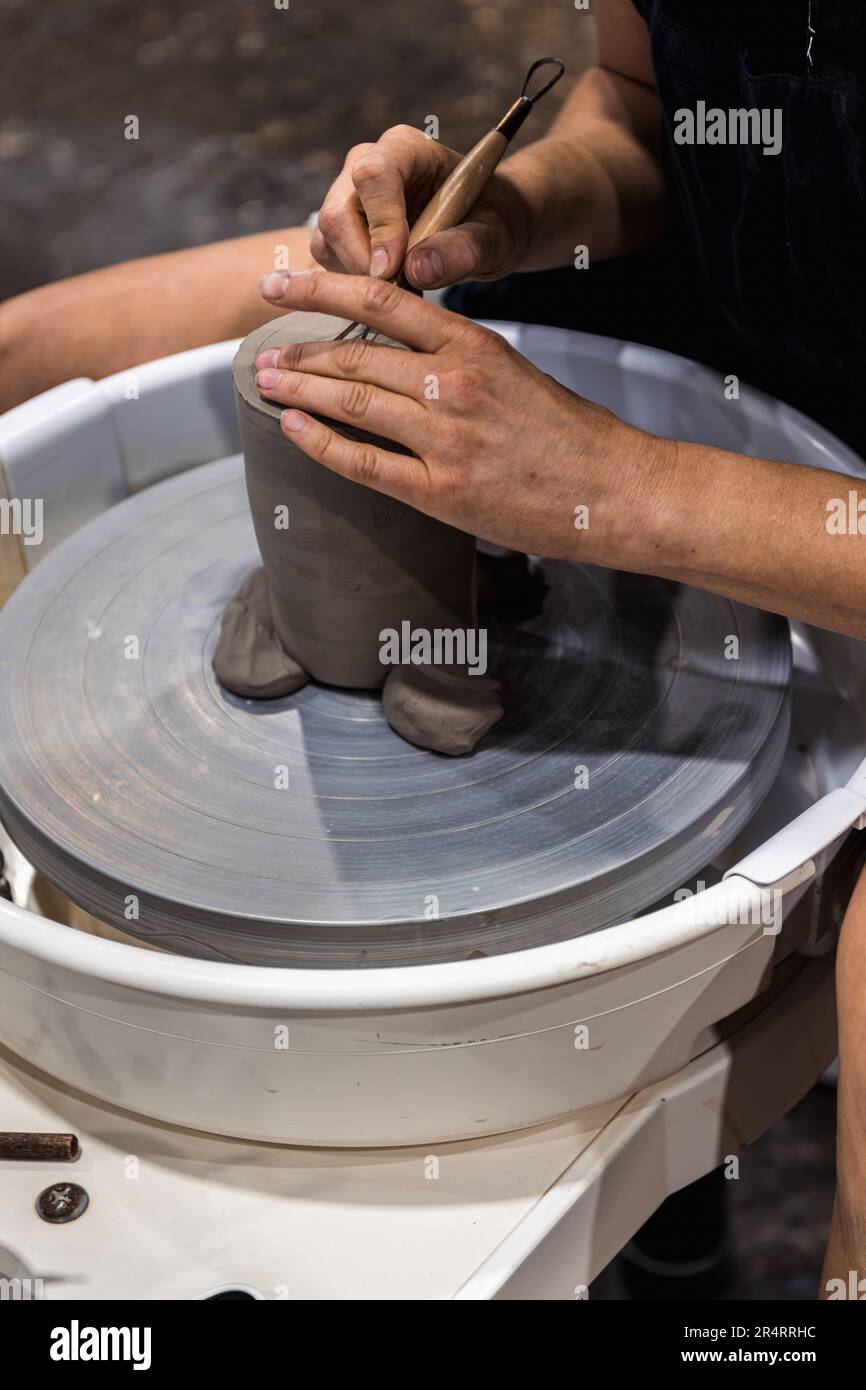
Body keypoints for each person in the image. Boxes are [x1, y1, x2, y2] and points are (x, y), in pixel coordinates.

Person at [0, 0, 863, 1295]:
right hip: (701, 313)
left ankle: (716, 1249)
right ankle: (672, 1227)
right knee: (24, 354)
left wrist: (612, 489)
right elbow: (637, 115)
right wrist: (510, 207)